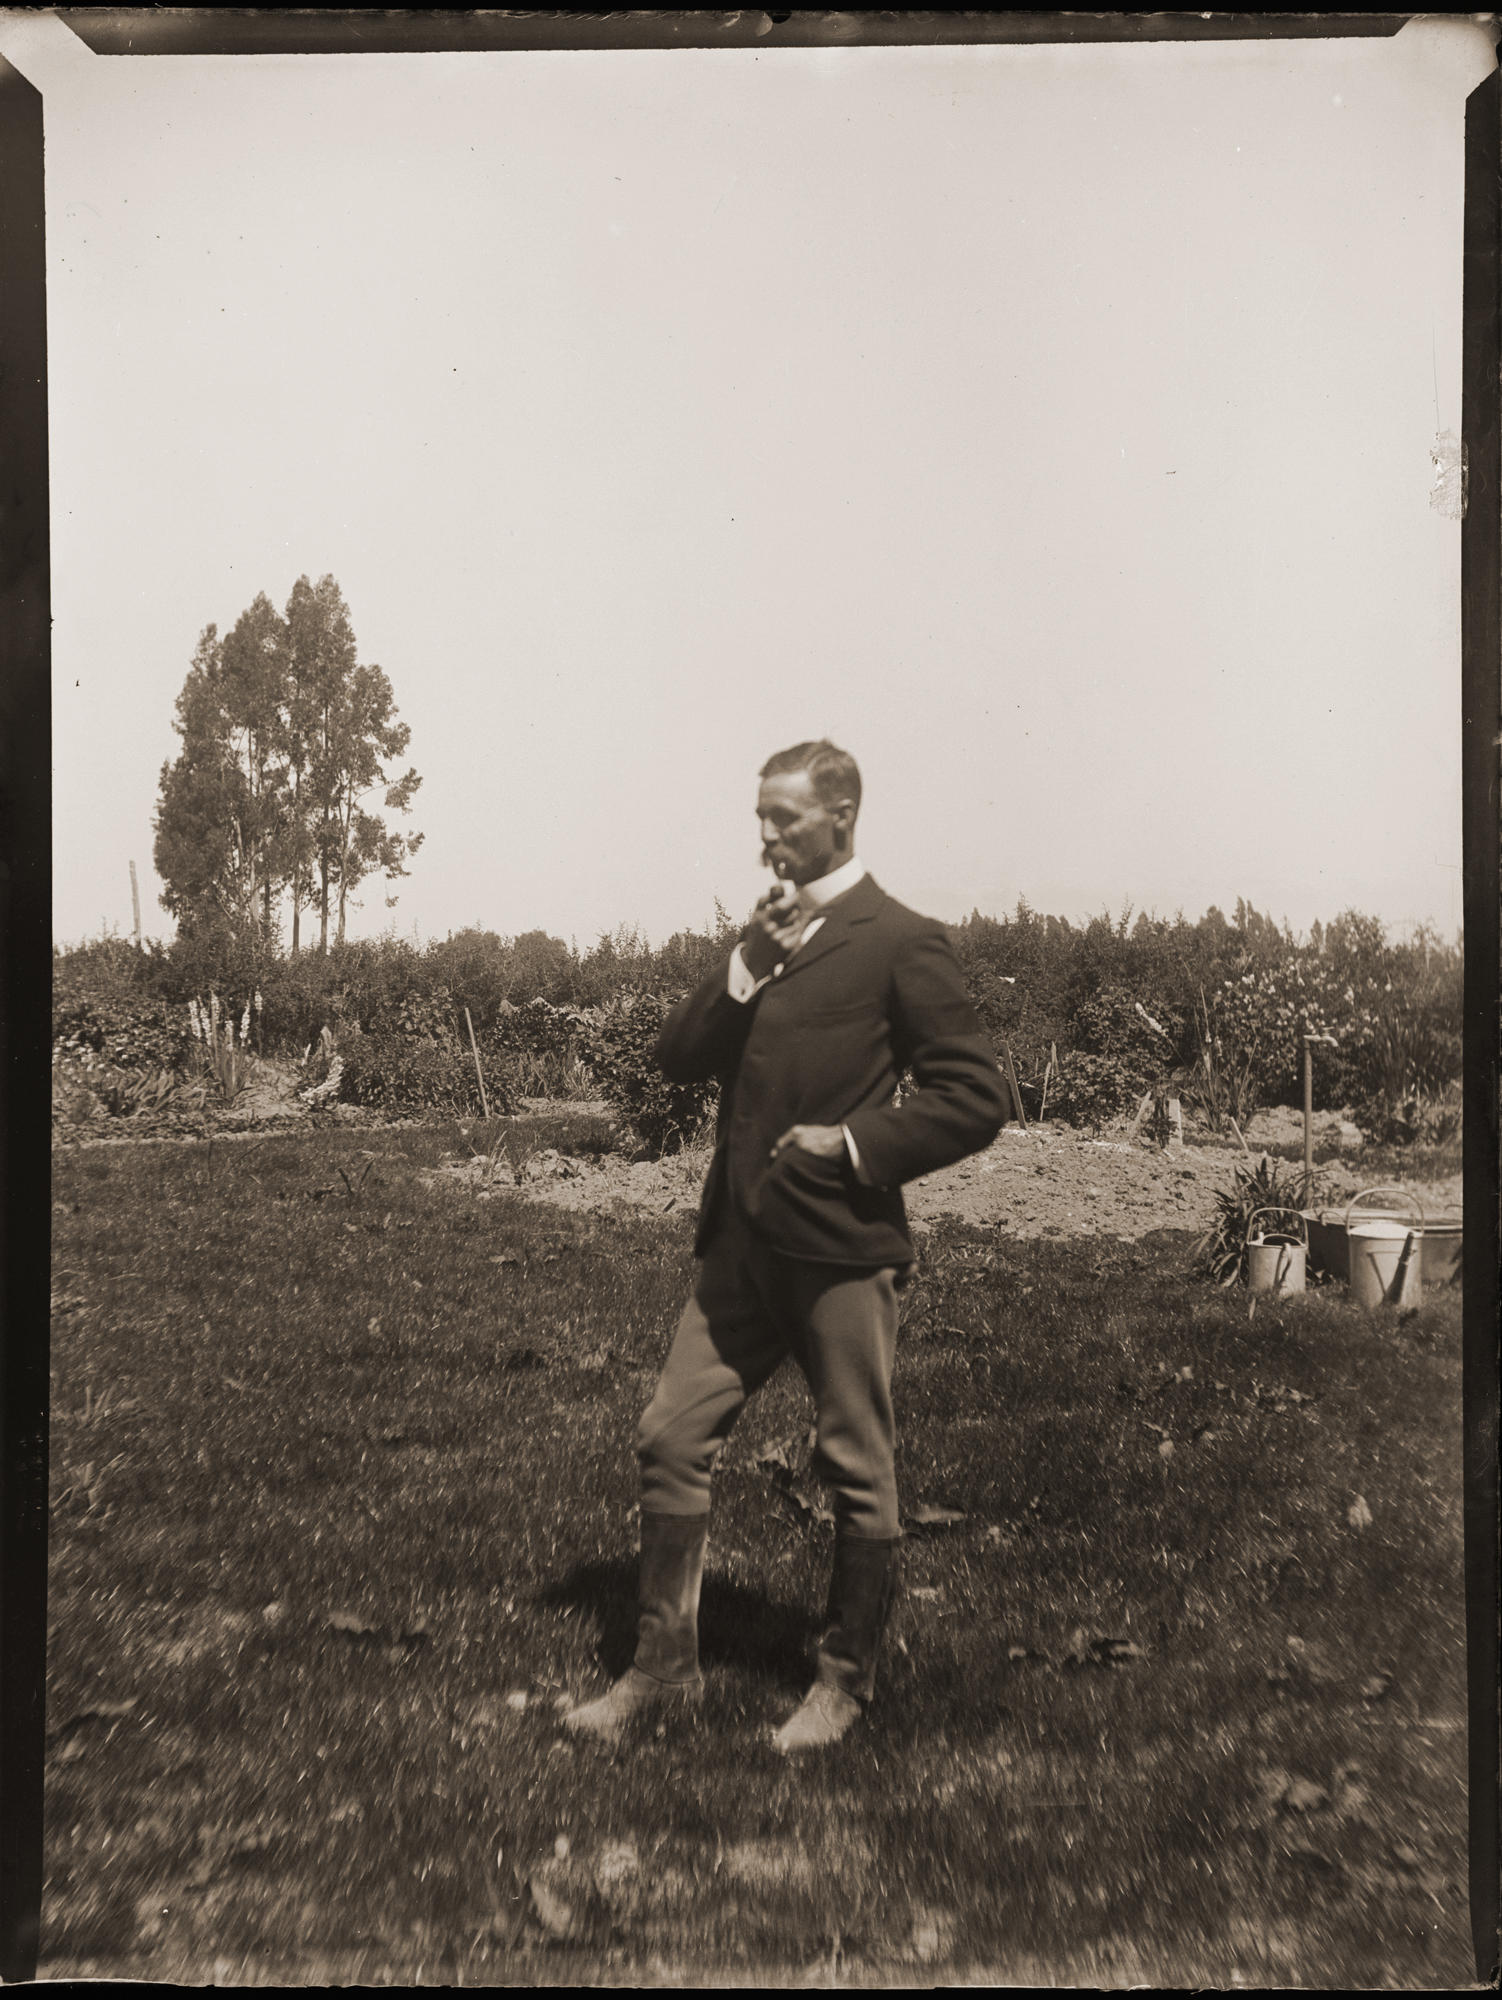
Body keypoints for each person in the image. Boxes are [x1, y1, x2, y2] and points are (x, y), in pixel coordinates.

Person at [563, 740, 1008, 1753]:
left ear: (840, 816)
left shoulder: (900, 939)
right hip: (739, 1245)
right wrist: (745, 962)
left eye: (783, 819)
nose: (763, 837)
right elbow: (675, 1057)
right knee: (669, 1436)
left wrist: (855, 1142)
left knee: (854, 1461)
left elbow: (976, 1095)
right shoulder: (767, 933)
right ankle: (661, 1668)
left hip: (838, 1247)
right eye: (758, 817)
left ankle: (841, 1682)